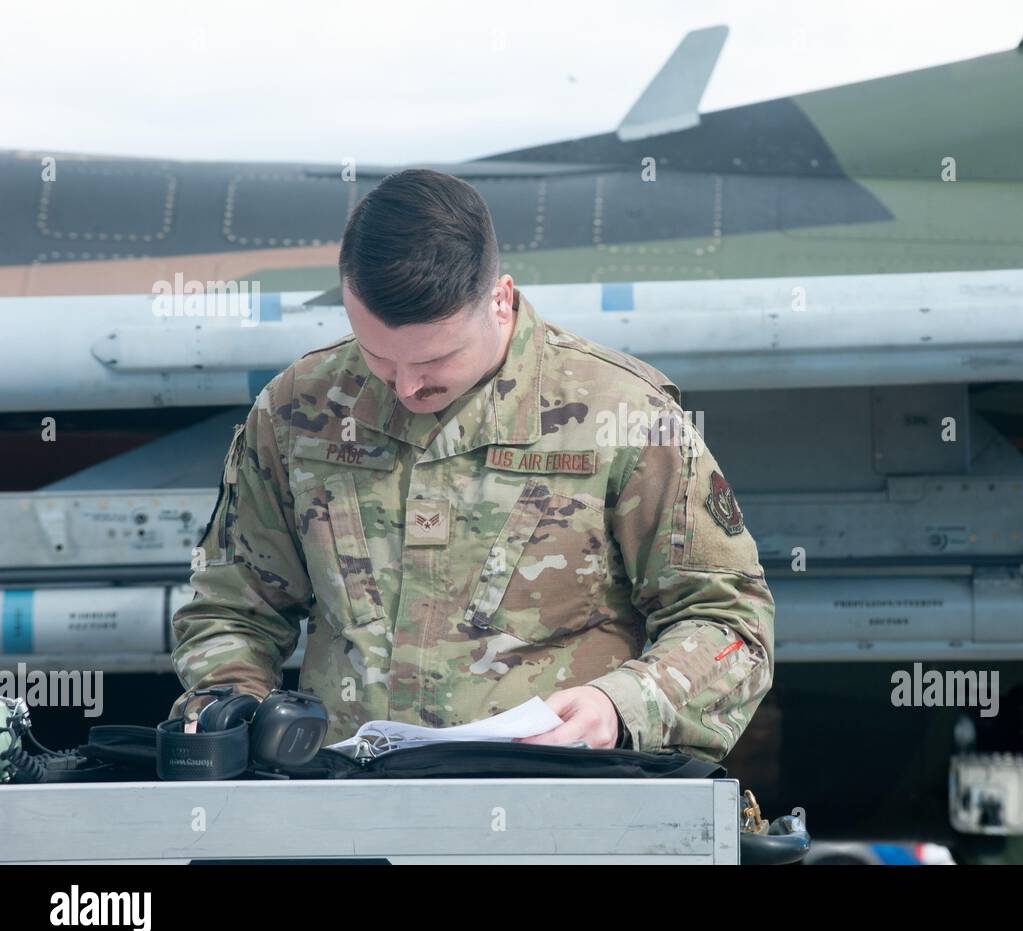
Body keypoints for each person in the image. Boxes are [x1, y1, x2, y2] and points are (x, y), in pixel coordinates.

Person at [168, 169, 775, 762]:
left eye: (436, 359)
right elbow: (232, 605)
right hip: (351, 806)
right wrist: (231, 699)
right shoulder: (298, 410)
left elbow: (730, 622)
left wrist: (622, 704)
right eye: (377, 354)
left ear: (500, 298)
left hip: (557, 804)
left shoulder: (624, 416)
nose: (406, 386)